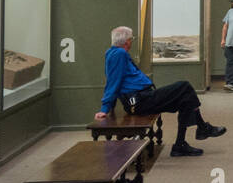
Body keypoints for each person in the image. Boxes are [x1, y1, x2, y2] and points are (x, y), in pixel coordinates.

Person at [95, 26, 226, 157]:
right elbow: (113, 81)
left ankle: (181, 144)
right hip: (140, 101)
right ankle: (201, 129)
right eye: (131, 39)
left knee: (185, 99)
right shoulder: (119, 54)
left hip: (143, 97)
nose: (131, 42)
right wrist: (105, 108)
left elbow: (113, 80)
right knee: (184, 86)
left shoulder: (115, 53)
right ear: (126, 41)